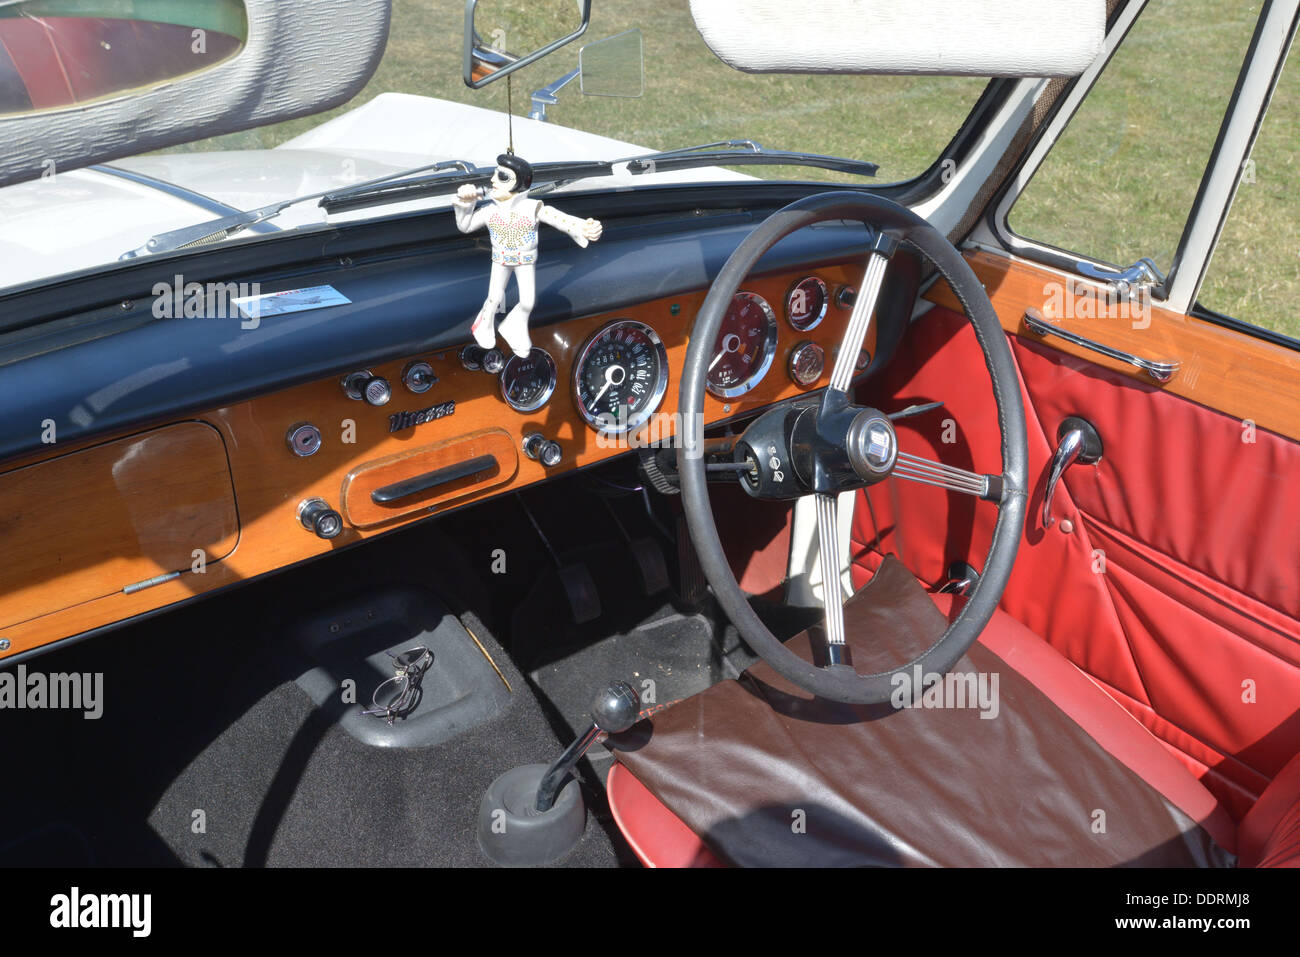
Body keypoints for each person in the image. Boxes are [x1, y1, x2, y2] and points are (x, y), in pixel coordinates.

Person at [452, 153, 603, 357]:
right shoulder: (489, 210)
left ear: (520, 184)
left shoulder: (532, 207)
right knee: (494, 297)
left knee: (528, 301)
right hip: (500, 259)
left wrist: (582, 226)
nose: (493, 180)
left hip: (525, 261)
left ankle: (514, 326)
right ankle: (483, 324)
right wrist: (464, 202)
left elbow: (558, 218)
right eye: (495, 175)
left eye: (503, 177)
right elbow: (465, 225)